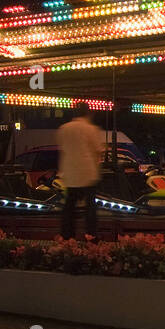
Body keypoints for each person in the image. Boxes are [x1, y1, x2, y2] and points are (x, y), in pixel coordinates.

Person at [57, 102, 105, 239]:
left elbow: (63, 149)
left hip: (70, 173)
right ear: (88, 113)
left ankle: (66, 236)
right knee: (90, 207)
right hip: (87, 173)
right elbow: (98, 150)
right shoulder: (90, 129)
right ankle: (91, 237)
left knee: (69, 207)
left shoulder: (63, 129)